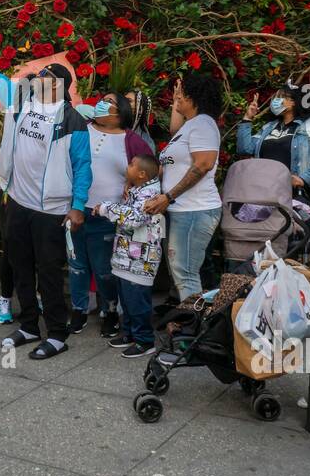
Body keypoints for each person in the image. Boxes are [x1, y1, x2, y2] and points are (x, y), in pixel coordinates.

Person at [0, 12, 91, 360]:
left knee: (49, 271)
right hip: (17, 201)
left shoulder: (73, 120)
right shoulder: (19, 101)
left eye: (45, 75)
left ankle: (58, 333)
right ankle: (30, 325)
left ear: (59, 85)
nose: (37, 76)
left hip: (51, 210)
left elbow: (83, 167)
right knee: (20, 265)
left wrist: (78, 205)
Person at [70, 92, 153, 337]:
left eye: (109, 101)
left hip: (107, 215)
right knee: (77, 265)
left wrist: (133, 188)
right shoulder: (81, 129)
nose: (101, 104)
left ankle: (109, 311)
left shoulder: (133, 142)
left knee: (104, 269)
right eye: (102, 100)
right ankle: (78, 311)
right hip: (77, 209)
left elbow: (149, 175)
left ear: (121, 112)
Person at [237, 81, 310, 267]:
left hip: (296, 194)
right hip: (265, 194)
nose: (276, 101)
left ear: (294, 102)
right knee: (269, 239)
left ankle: (295, 281)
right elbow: (245, 148)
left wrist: (304, 179)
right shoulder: (270, 127)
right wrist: (248, 118)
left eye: (281, 97)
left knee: (292, 240)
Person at [143, 73, 223, 302]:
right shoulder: (188, 127)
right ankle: (190, 324)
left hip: (194, 210)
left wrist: (168, 197)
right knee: (181, 272)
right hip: (184, 211)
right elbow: (173, 127)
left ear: (193, 97)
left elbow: (203, 164)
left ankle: (193, 328)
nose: (176, 99)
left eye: (181, 95)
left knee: (185, 274)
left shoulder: (203, 124)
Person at [97, 152, 166, 357]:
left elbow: (136, 218)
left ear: (142, 174)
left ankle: (145, 340)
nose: (127, 166)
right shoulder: (138, 189)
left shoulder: (150, 194)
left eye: (131, 164)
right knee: (126, 299)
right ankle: (129, 332)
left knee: (137, 300)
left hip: (141, 258)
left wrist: (105, 208)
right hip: (127, 256)